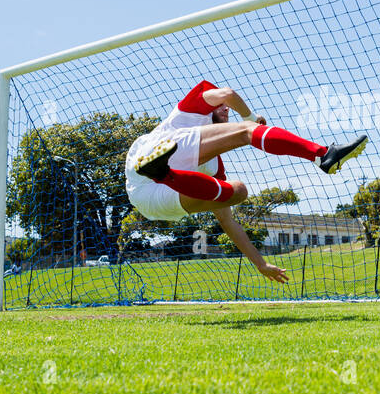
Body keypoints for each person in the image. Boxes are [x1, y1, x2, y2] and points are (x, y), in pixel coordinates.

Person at [125, 80, 367, 285]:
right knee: (245, 132)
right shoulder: (189, 112)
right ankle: (323, 154)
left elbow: (226, 220)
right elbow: (228, 94)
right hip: (144, 161)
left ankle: (164, 174)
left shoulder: (213, 166)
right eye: (221, 108)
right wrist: (250, 118)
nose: (225, 109)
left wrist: (260, 263)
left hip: (152, 199)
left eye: (226, 109)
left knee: (238, 191)